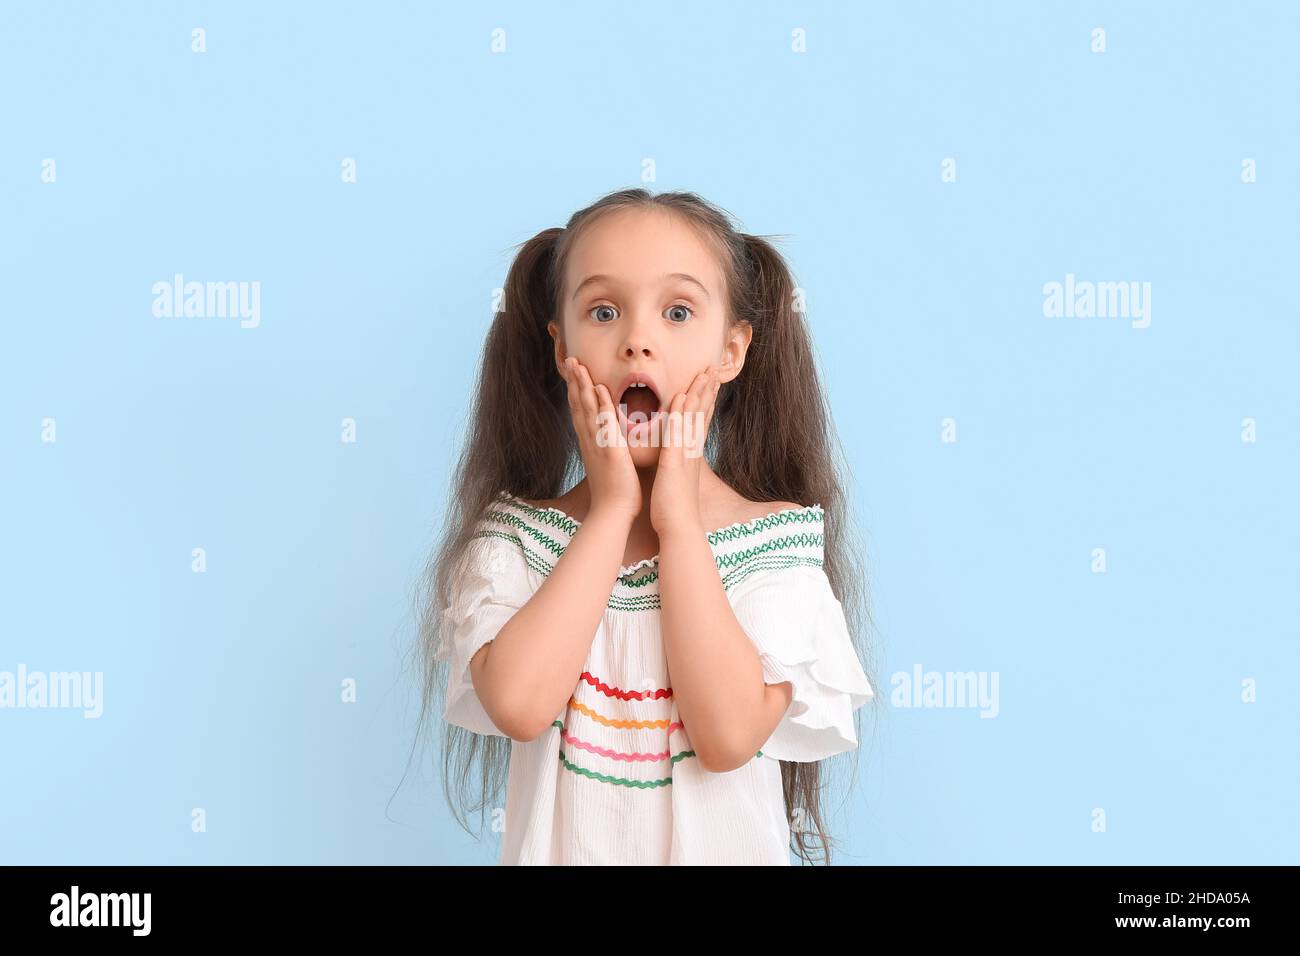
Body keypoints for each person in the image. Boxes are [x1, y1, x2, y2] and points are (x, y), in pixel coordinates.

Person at [415, 188, 879, 864]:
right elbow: (519, 705)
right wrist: (610, 512)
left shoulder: (774, 551)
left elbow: (726, 738)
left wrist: (679, 525)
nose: (637, 339)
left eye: (678, 312)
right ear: (560, 346)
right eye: (603, 312)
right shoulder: (516, 544)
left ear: (731, 350)